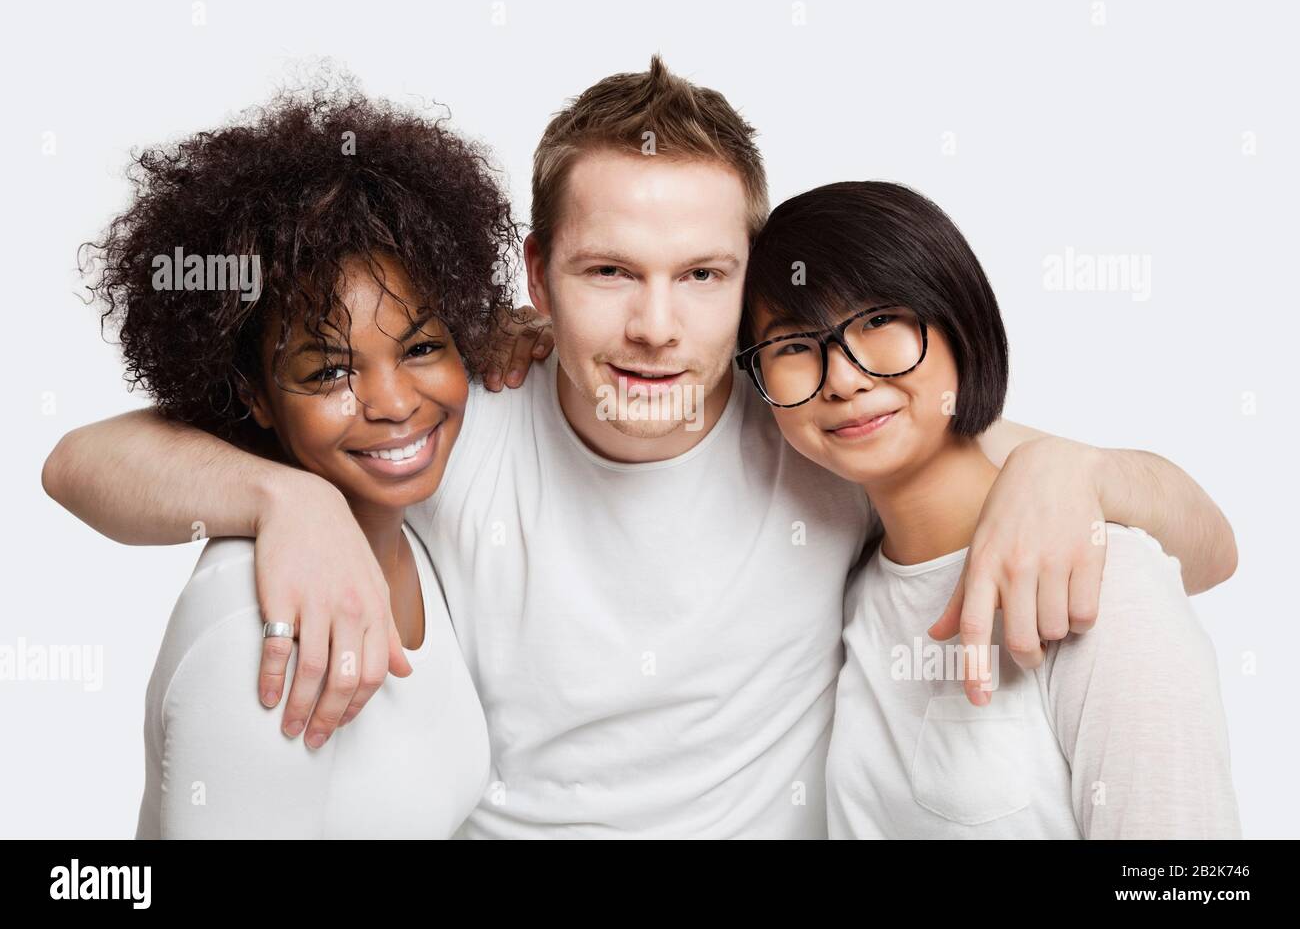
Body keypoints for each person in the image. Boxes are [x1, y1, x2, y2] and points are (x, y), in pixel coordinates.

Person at [45, 57, 1237, 838]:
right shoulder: (446, 417)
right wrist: (280, 498)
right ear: (535, 275)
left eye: (702, 276)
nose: (656, 325)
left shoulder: (823, 428)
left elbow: (1210, 542)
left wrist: (1067, 469)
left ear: (750, 284)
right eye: (609, 271)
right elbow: (81, 462)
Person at [738, 181, 1240, 837]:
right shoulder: (852, 595)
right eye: (794, 347)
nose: (844, 378)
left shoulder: (1103, 578)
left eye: (878, 321)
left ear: (959, 321)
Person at [81, 83, 518, 837]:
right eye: (330, 371)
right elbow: (69, 463)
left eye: (421, 348)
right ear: (253, 394)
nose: (391, 401)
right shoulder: (255, 633)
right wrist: (289, 499)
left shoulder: (408, 535)